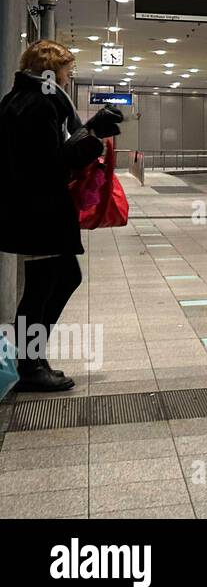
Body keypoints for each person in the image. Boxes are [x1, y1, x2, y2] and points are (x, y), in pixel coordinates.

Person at [0, 40, 122, 391]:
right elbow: (51, 164)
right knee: (44, 287)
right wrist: (94, 135)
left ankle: (33, 360)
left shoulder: (17, 100)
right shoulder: (40, 105)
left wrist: (88, 134)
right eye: (67, 71)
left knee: (60, 278)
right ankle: (30, 366)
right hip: (40, 211)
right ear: (50, 71)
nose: (69, 79)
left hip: (31, 209)